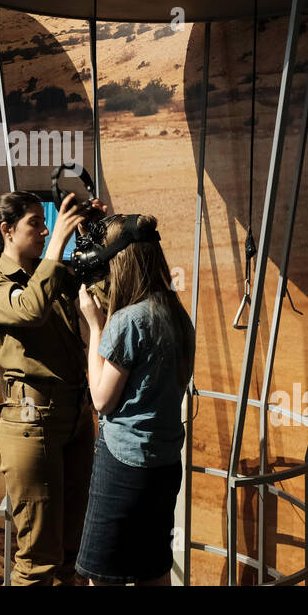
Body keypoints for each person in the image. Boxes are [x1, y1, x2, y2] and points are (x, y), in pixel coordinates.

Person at [0, 190, 100, 585]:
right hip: (33, 424)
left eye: (47, 224)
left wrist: (89, 231)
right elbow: (29, 309)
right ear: (7, 230)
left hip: (75, 417)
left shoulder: (50, 271)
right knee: (38, 560)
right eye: (35, 223)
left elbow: (97, 282)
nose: (45, 230)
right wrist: (57, 242)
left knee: (73, 548)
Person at [74, 214, 194, 586]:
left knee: (102, 575)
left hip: (124, 463)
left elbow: (101, 400)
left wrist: (95, 326)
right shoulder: (176, 313)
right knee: (152, 569)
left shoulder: (128, 321)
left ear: (119, 262)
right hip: (164, 461)